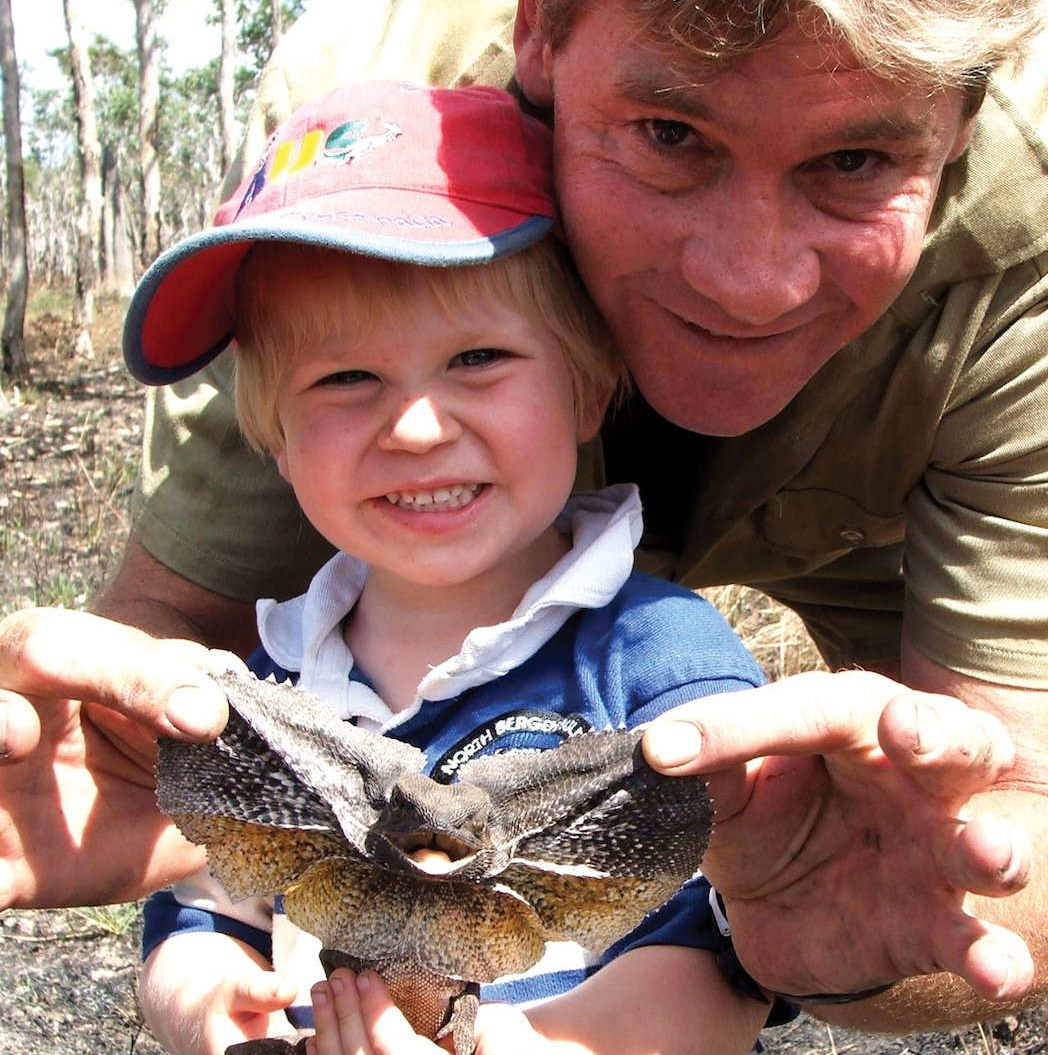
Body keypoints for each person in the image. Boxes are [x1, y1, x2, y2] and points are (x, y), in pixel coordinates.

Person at [0, 0, 1048, 1043]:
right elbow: (184, 826)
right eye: (669, 133)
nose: (751, 282)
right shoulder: (359, 105)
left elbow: (985, 824)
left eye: (855, 160)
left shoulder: (660, 662)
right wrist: (205, 987)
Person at [128, 79, 772, 1055]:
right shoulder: (260, 689)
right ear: (274, 439)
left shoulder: (658, 658)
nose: (419, 427)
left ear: (589, 386)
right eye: (345, 377)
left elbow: (726, 958)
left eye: (477, 359)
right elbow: (201, 910)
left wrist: (530, 1047)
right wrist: (211, 1006)